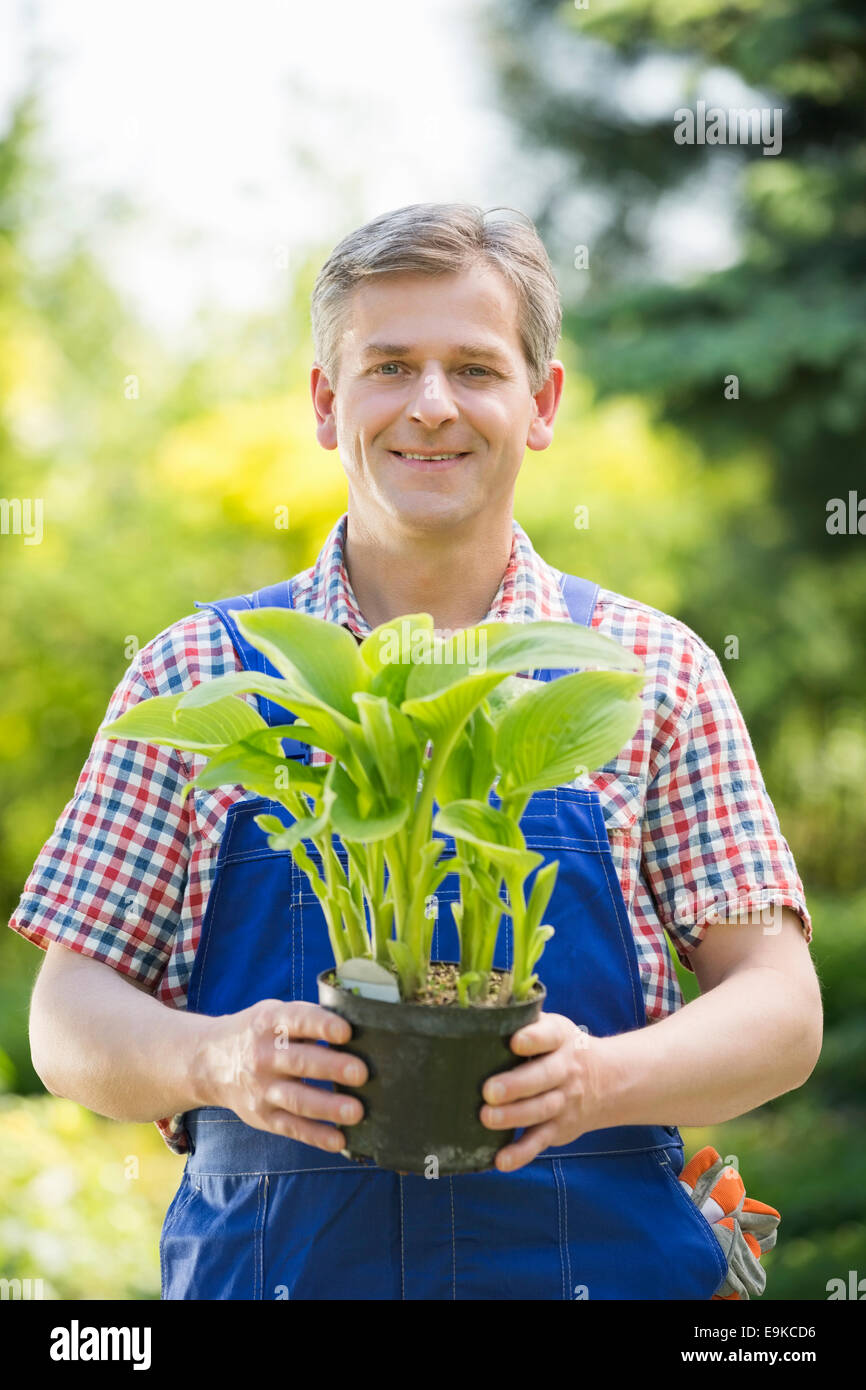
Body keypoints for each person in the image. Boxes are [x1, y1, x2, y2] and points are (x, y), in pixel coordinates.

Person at [10, 203, 822, 1300]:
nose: (430, 406)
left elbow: (778, 1009)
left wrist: (594, 1078)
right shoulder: (198, 670)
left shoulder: (645, 667)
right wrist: (214, 1059)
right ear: (323, 401)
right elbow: (67, 1015)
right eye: (388, 365)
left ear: (540, 404)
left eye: (474, 369)